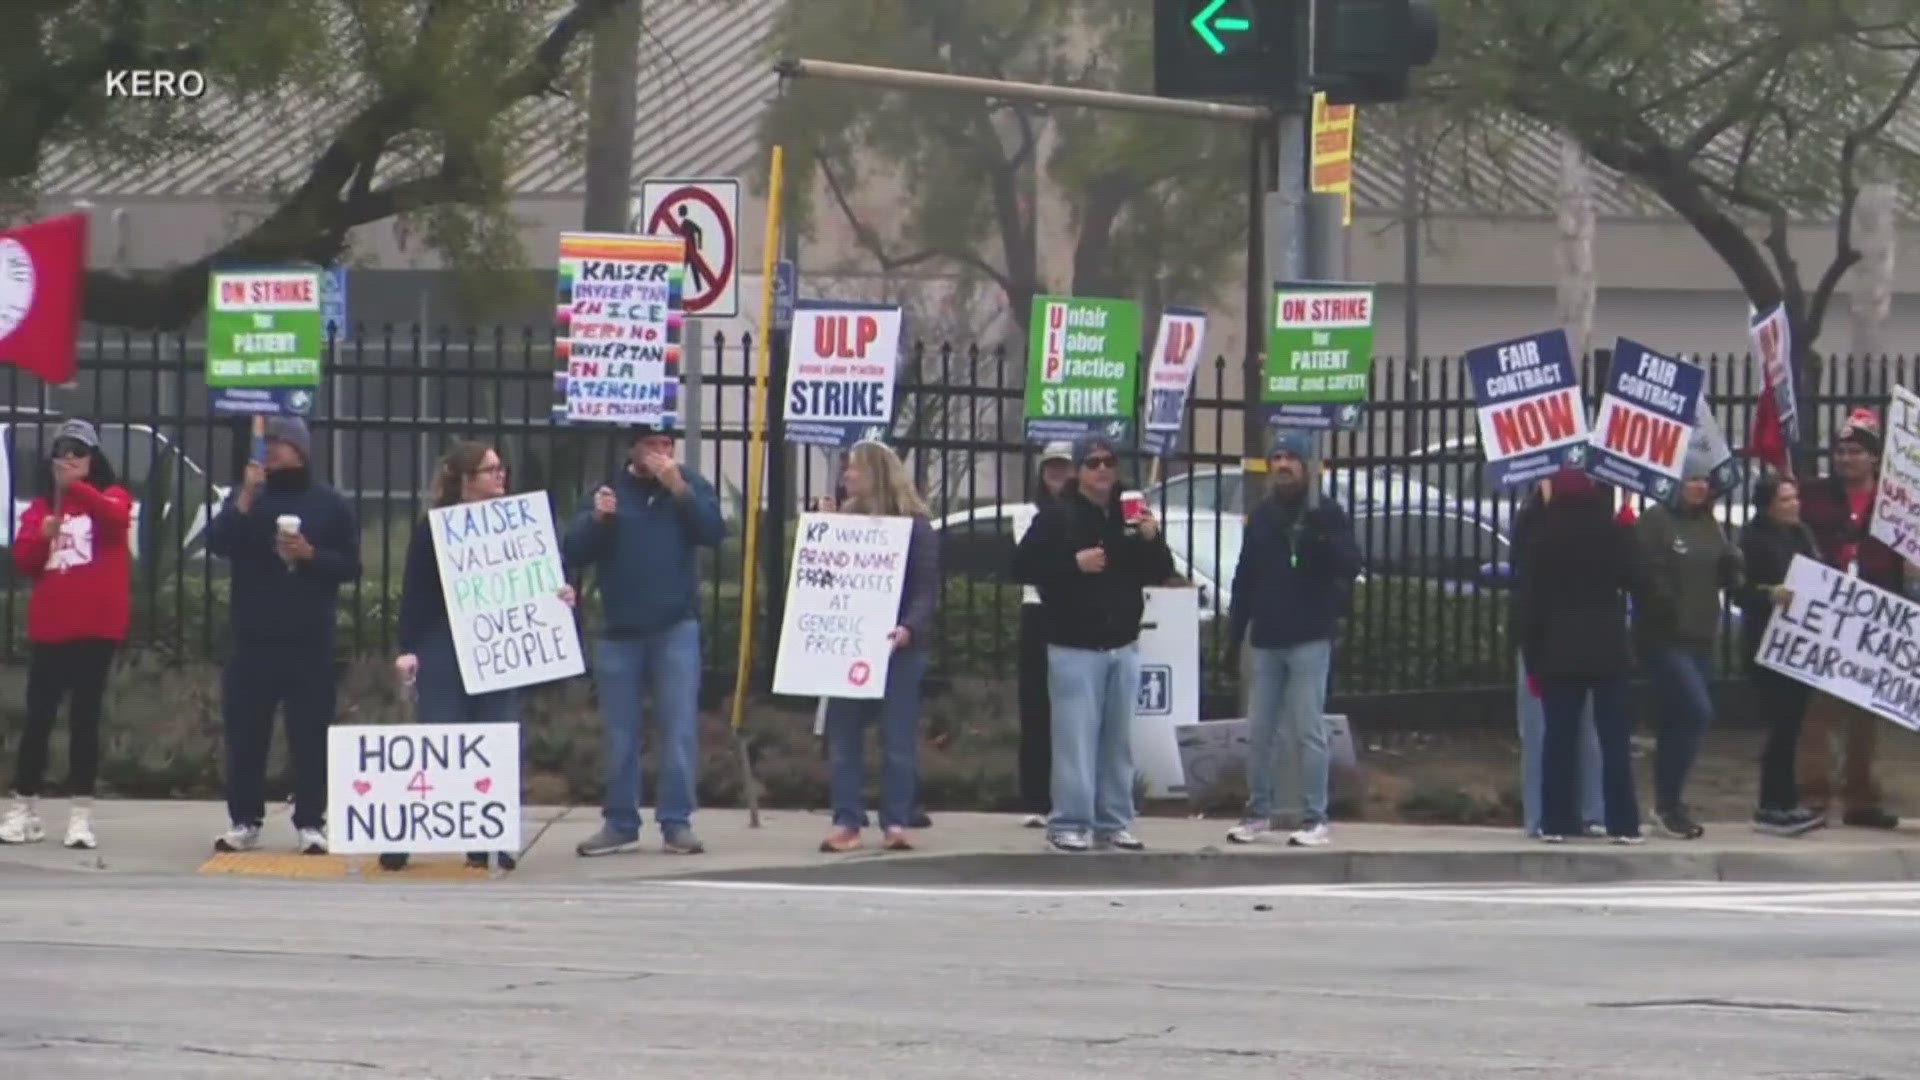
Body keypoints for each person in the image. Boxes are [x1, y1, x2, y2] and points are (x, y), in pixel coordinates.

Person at [385, 441, 579, 872]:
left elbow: (543, 580)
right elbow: (415, 593)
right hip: (445, 646)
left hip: (498, 650)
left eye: (501, 468)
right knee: (438, 741)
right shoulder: (434, 527)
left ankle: (489, 838)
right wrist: (408, 649)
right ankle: (402, 834)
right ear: (465, 479)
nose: (500, 476)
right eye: (490, 470)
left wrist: (562, 595)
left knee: (497, 740)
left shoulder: (520, 524)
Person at [564, 423, 725, 857]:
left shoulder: (688, 484)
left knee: (677, 730)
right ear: (633, 449)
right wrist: (596, 521)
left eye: (667, 445)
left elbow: (713, 532)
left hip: (674, 627)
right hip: (620, 631)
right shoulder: (608, 490)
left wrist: (681, 492)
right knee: (620, 734)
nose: (660, 453)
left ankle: (676, 822)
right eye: (652, 445)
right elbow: (573, 551)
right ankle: (620, 822)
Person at [207, 416, 361, 854]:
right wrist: (245, 497)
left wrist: (312, 555)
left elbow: (351, 566)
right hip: (252, 637)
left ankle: (311, 821)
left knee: (310, 733)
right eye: (265, 442)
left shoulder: (328, 504)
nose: (270, 450)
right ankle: (244, 819)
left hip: (309, 639)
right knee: (246, 735)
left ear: (300, 450)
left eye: (279, 442)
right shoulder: (248, 498)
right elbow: (219, 543)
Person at [1013, 434, 1173, 853]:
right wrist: (1072, 564)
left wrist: (1152, 537)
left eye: (1108, 462)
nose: (1102, 469)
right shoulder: (1058, 516)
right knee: (1075, 742)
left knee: (1116, 742)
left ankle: (1114, 822)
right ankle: (1068, 822)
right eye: (1092, 462)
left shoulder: (1129, 513)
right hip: (1074, 645)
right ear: (1079, 471)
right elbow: (1021, 566)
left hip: (1122, 643)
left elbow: (1159, 571)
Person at [1223, 430, 1360, 848]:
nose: (1283, 465)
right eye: (1277, 457)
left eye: (1291, 458)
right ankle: (1257, 811)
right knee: (1260, 729)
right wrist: (1234, 635)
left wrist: (1321, 539)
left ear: (1306, 466)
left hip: (1309, 636)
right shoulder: (1263, 516)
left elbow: (1350, 563)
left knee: (1307, 728)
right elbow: (1246, 576)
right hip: (1267, 636)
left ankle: (1315, 816)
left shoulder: (1326, 513)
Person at [0, 420, 132, 850]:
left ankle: (81, 814)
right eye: (62, 450)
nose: (70, 458)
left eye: (79, 450)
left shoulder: (110, 496)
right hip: (51, 628)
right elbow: (25, 560)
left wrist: (78, 490)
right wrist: (41, 538)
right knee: (39, 720)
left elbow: (114, 521)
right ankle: (23, 807)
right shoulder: (41, 507)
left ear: (93, 459)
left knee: (85, 720)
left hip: (95, 628)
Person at [815, 442, 939, 853]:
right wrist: (825, 530)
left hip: (898, 648)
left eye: (854, 469)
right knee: (845, 737)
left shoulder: (915, 525)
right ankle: (847, 821)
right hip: (851, 643)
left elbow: (926, 589)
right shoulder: (844, 522)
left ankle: (896, 821)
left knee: (897, 739)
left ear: (876, 475)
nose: (847, 476)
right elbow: (822, 583)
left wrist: (909, 627)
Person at [1513, 467, 1643, 843]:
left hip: (1559, 647)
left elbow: (1532, 602)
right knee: (1614, 738)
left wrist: (1534, 658)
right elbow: (1638, 579)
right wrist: (1629, 530)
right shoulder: (1613, 533)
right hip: (1607, 647)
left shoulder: (1545, 539)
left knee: (1559, 738)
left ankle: (1557, 821)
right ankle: (1624, 822)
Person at [1797, 409, 1899, 828]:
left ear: (1873, 457)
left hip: (1877, 616)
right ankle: (1814, 796)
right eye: (1840, 450)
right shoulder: (1816, 495)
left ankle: (1861, 799)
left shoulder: (1896, 502)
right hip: (1827, 615)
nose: (1845, 458)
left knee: (1865, 714)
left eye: (1855, 451)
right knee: (1818, 711)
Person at [1633, 449, 1742, 839]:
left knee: (1681, 723)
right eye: (1691, 479)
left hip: (1700, 636)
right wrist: (1663, 607)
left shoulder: (1707, 523)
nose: (1699, 486)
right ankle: (1666, 803)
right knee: (1697, 711)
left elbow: (1724, 566)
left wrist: (1733, 567)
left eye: (1703, 481)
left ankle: (1669, 801)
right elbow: (1647, 573)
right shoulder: (1656, 521)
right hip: (1666, 639)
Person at [1512, 479, 1606, 839]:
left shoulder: (1594, 513)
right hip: (1541, 637)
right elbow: (1526, 560)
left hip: (1584, 637)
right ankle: (1540, 815)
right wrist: (1543, 510)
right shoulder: (1532, 516)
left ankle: (1590, 810)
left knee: (1587, 728)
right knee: (1538, 728)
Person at [1738, 474, 1825, 836]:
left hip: (1800, 644)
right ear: (1768, 505)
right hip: (1768, 644)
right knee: (1780, 726)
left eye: (1795, 498)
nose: (1794, 505)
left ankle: (1787, 802)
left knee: (1793, 726)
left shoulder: (1801, 534)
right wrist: (1769, 593)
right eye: (1786, 500)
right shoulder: (1753, 540)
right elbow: (1739, 591)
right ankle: (1771, 804)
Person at [1017, 441, 1076, 828]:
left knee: (1071, 708)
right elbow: (1033, 562)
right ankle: (1036, 797)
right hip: (1037, 610)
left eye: (1064, 468)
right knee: (1036, 707)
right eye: (1051, 469)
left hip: (1074, 609)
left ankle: (1069, 794)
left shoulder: (1086, 513)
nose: (1057, 476)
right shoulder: (1028, 514)